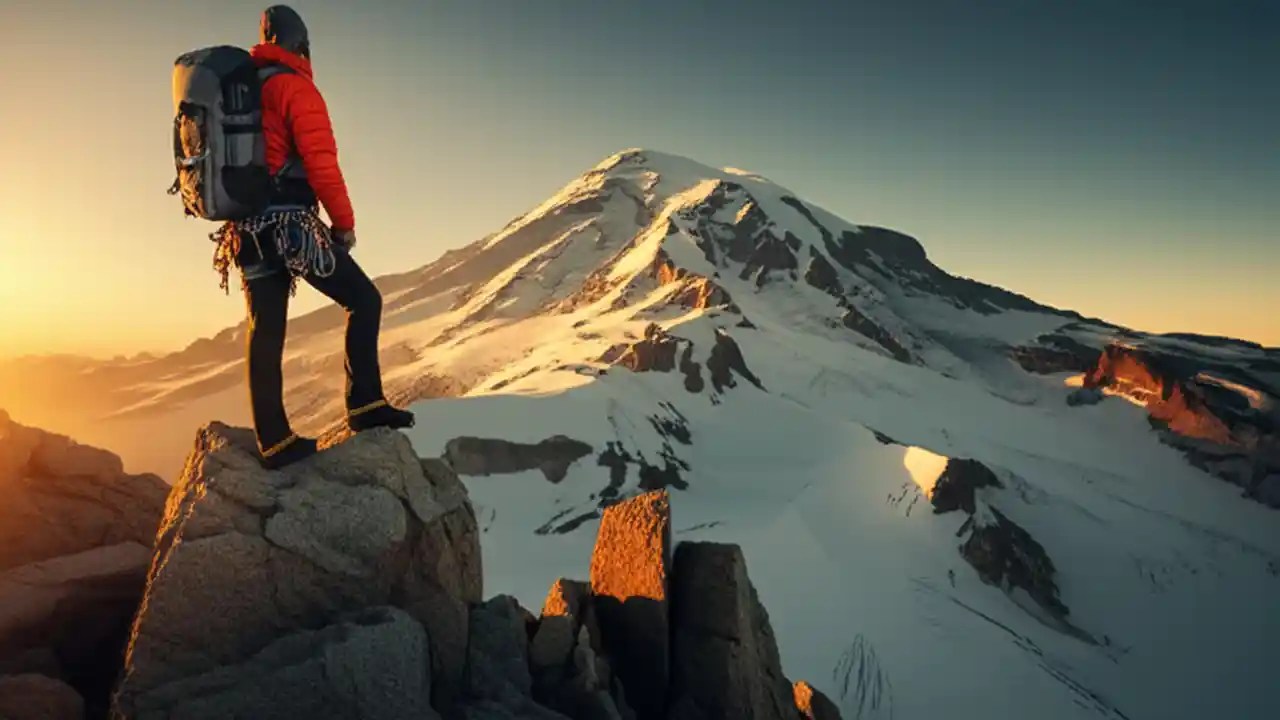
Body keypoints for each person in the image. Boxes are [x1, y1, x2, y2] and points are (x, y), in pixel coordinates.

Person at [219, 5, 414, 469]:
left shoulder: (243, 91)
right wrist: (343, 224)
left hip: (245, 229)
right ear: (301, 44)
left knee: (265, 328)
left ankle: (274, 441)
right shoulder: (295, 88)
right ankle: (365, 406)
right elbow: (322, 165)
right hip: (290, 228)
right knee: (364, 300)